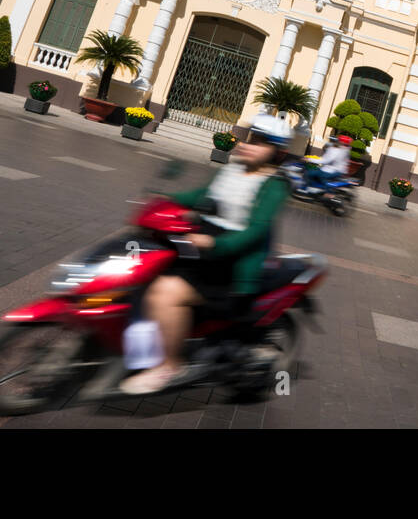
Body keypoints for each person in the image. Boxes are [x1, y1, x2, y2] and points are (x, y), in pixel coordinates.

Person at [119, 114, 294, 395]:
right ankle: (141, 350)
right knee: (144, 271)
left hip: (233, 264)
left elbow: (255, 231)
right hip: (202, 250)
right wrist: (167, 202)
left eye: (260, 142)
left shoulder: (275, 185)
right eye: (249, 137)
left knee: (166, 292)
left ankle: (169, 366)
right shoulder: (233, 169)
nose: (249, 144)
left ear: (277, 152)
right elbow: (204, 196)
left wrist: (214, 244)